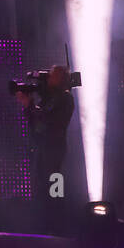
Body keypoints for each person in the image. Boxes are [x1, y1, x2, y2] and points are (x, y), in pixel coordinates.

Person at [16, 64, 75, 203]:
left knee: (55, 181)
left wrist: (30, 105)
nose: (48, 78)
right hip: (42, 146)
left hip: (55, 148)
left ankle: (56, 208)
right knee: (40, 185)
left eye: (53, 75)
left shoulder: (65, 98)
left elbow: (48, 118)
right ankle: (42, 209)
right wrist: (27, 106)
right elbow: (36, 122)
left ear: (60, 78)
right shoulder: (49, 99)